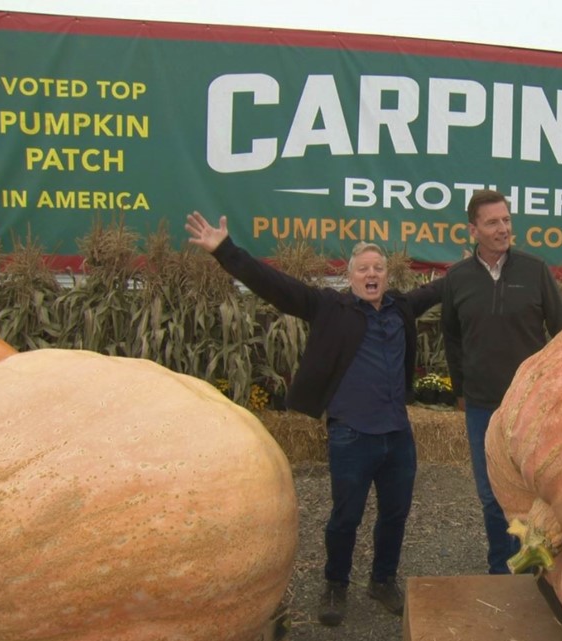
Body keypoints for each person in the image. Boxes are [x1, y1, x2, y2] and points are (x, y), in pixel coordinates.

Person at [185, 211, 442, 626]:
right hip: (351, 436)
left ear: (388, 275)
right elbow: (276, 287)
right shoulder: (329, 307)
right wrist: (225, 250)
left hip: (398, 436)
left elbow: (441, 288)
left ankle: (382, 580)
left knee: (395, 513)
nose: (371, 274)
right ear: (351, 275)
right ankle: (335, 584)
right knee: (346, 516)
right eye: (364, 269)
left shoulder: (401, 308)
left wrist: (472, 263)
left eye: (378, 268)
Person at [439, 189, 562, 574]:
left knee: (536, 491)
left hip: (530, 405)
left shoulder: (535, 271)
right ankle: (502, 569)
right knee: (491, 494)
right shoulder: (458, 278)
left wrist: (555, 388)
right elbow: (451, 337)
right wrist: (460, 389)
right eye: (493, 222)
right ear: (473, 230)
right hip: (482, 406)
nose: (503, 229)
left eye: (507, 220)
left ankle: (539, 568)